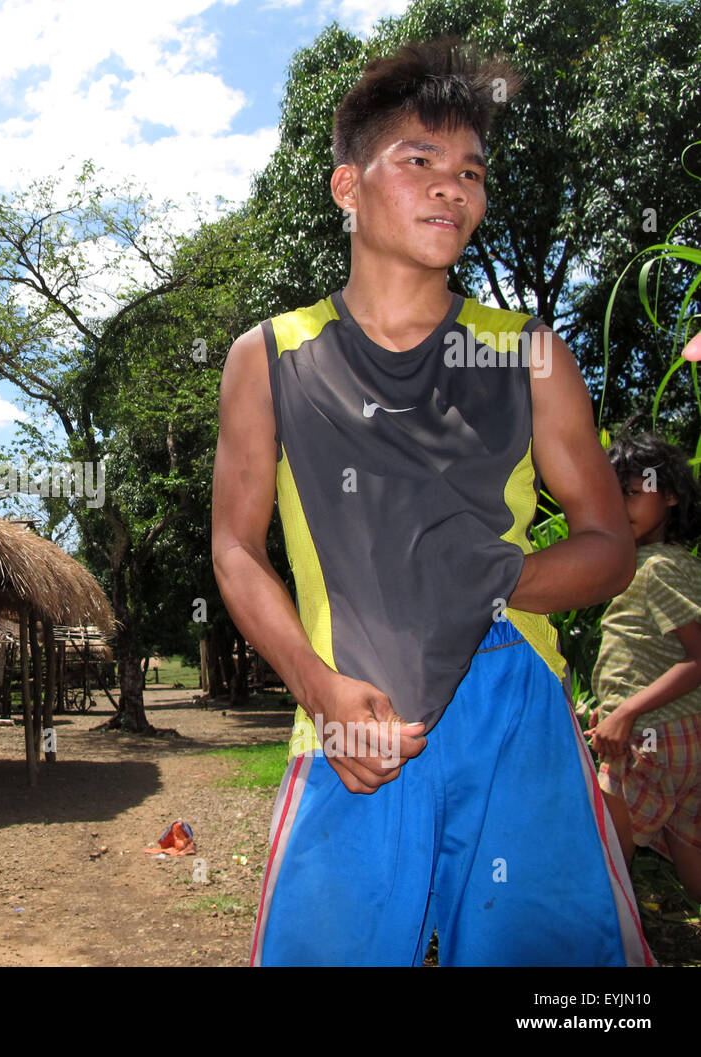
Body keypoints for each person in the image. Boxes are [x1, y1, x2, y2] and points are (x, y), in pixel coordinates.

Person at [211, 39, 653, 965]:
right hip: (354, 711)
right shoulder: (271, 355)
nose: (453, 188)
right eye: (420, 162)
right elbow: (237, 548)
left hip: (516, 714)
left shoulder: (527, 351)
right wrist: (319, 689)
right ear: (347, 187)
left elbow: (610, 541)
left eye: (471, 172)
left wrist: (495, 577)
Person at [591, 434, 701, 903]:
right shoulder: (666, 564)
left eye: (633, 492)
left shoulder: (656, 569)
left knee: (602, 854)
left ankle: (600, 949)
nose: (621, 505)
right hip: (678, 735)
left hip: (654, 737)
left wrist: (626, 713)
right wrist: (613, 709)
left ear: (671, 495)